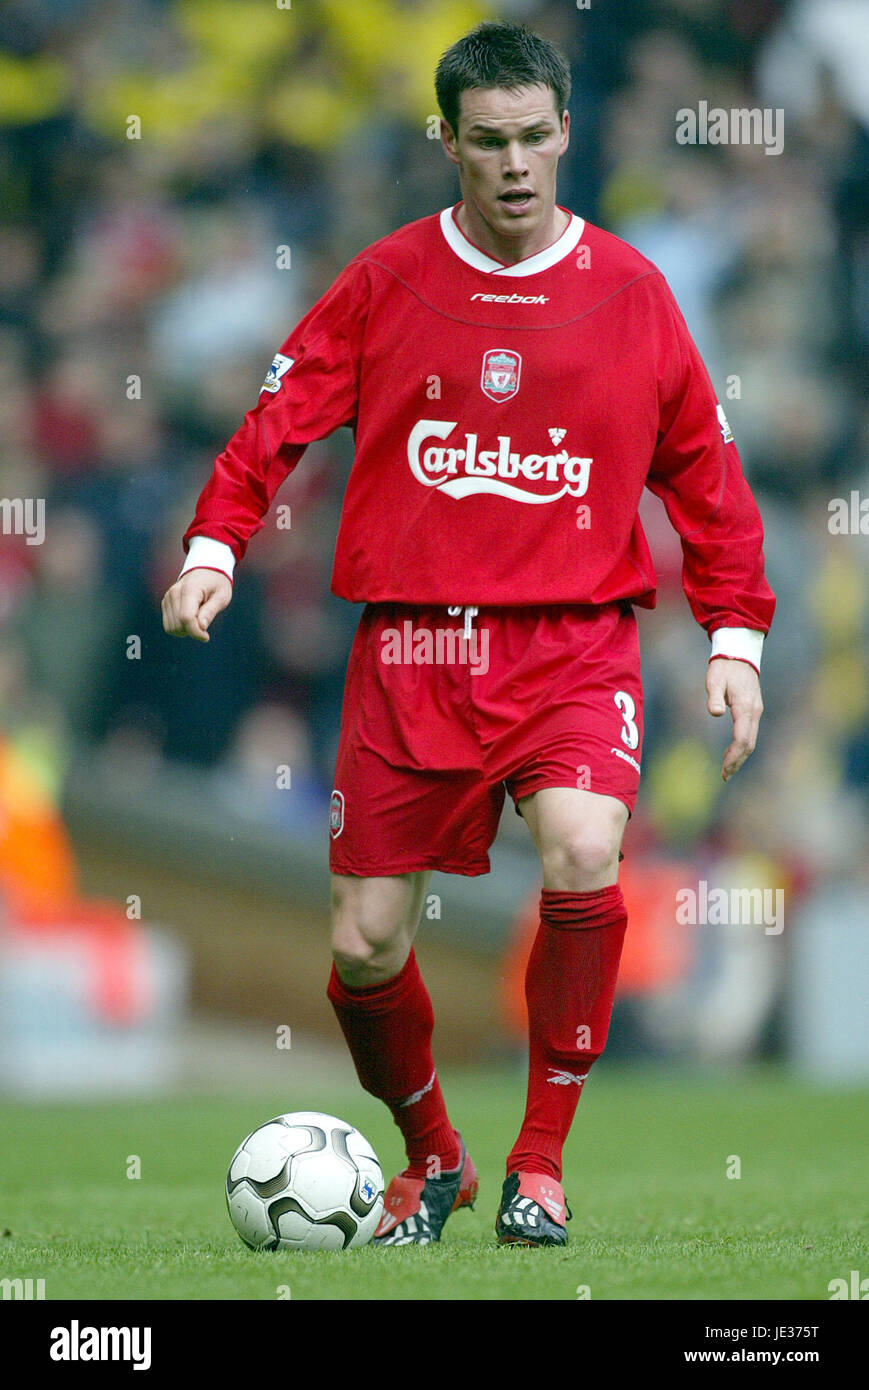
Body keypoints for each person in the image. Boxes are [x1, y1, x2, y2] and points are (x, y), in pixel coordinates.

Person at [161, 21, 775, 1248]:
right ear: (446, 141)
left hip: (571, 643)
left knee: (586, 852)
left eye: (533, 137)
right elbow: (272, 423)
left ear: (565, 132)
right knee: (363, 941)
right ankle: (432, 1155)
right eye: (485, 140)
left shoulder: (630, 292)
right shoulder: (385, 280)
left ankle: (536, 1165)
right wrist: (215, 544)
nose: (512, 163)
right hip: (411, 654)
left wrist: (733, 636)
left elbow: (706, 477)